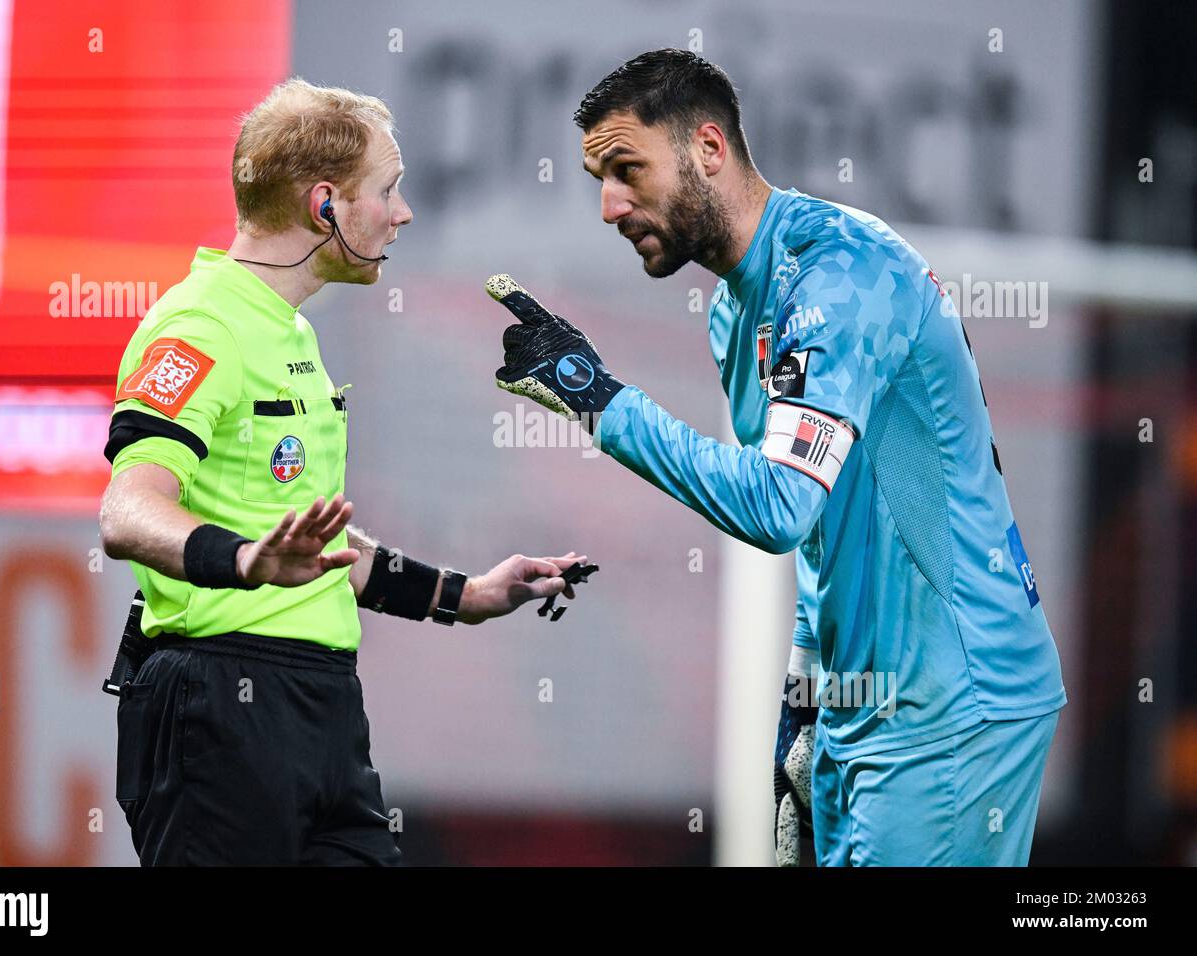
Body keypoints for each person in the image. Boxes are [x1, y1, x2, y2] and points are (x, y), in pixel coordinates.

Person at [486, 49, 1066, 866]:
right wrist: (805, 700)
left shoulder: (840, 278)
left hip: (952, 708)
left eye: (626, 169)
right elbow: (822, 532)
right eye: (598, 180)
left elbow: (777, 506)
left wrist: (599, 400)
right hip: (863, 705)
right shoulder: (737, 310)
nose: (610, 205)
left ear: (708, 150)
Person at [99, 78, 586, 866]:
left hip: (321, 708)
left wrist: (468, 595)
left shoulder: (288, 332)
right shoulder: (201, 326)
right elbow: (127, 512)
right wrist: (246, 559)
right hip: (219, 703)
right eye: (388, 190)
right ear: (325, 205)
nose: (404, 212)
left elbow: (320, 552)